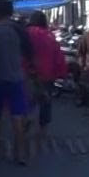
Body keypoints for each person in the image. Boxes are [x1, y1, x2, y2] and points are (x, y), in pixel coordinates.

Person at [0, 0, 33, 164]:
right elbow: (29, 53)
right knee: (18, 116)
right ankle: (21, 155)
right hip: (16, 78)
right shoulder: (19, 29)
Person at [25, 11, 67, 152]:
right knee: (45, 102)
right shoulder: (49, 36)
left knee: (27, 101)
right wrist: (60, 73)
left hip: (27, 73)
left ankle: (25, 123)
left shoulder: (25, 33)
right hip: (47, 75)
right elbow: (58, 55)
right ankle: (43, 131)